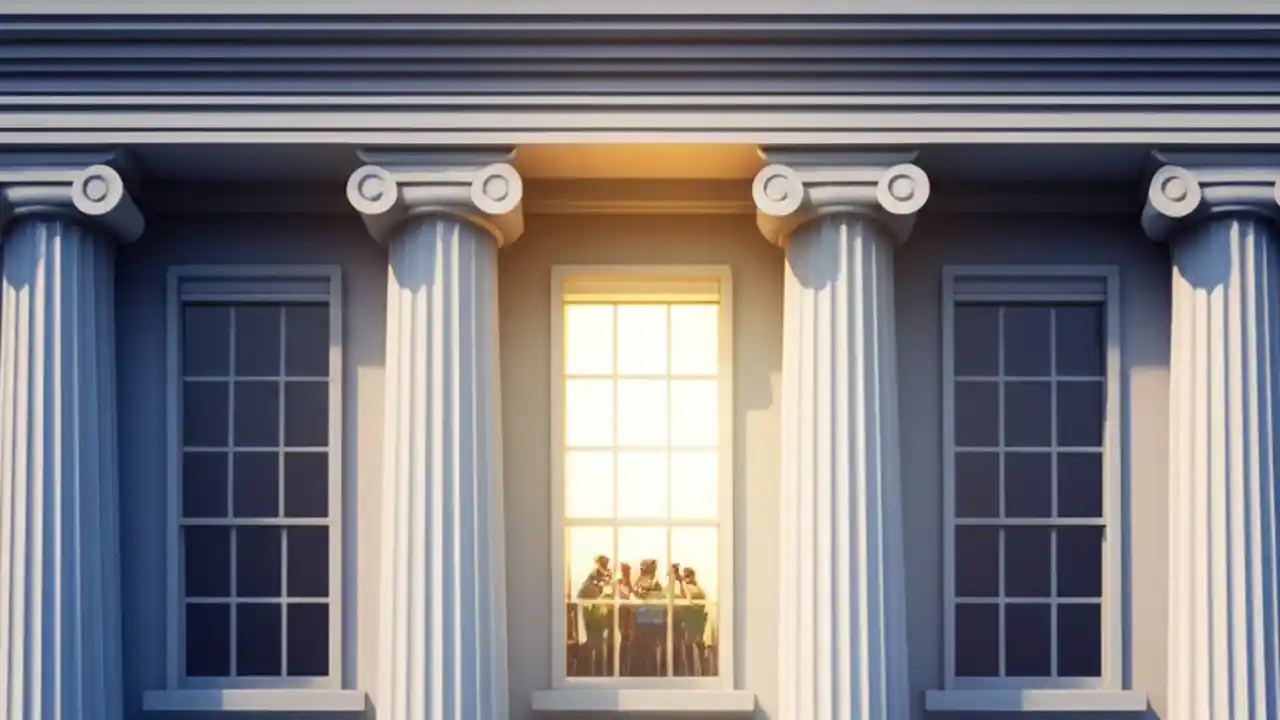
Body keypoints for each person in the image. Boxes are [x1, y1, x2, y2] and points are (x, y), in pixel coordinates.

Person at [621, 558, 665, 676]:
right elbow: (634, 597)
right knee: (637, 652)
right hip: (640, 622)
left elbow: (639, 598)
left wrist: (627, 580)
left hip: (650, 623)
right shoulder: (640, 580)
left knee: (647, 653)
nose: (641, 568)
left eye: (644, 566)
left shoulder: (653, 582)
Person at [575, 554, 613, 676]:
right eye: (602, 563)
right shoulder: (592, 578)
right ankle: (587, 673)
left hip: (601, 618)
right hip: (591, 617)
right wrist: (600, 585)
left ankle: (599, 673)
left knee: (600, 647)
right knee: (592, 645)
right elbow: (585, 593)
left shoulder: (607, 576)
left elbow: (610, 593)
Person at [673, 565, 709, 676]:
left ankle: (701, 673)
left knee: (697, 651)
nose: (686, 579)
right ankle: (692, 673)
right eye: (685, 576)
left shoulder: (697, 590)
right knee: (689, 652)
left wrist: (681, 581)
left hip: (696, 624)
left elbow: (689, 597)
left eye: (688, 576)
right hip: (689, 624)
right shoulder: (688, 588)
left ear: (693, 576)